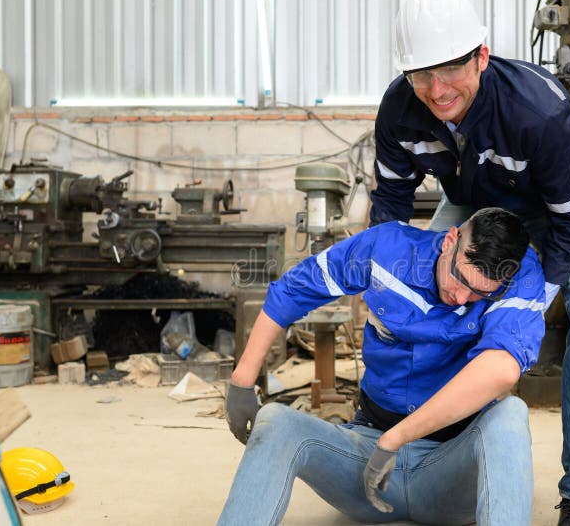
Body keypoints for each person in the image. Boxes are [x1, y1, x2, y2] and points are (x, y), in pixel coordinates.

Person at [369, 0, 570, 525]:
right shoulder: (399, 110)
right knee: (419, 290)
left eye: (451, 69)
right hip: (472, 204)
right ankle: (409, 431)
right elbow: (391, 207)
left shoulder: (541, 114)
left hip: (555, 213)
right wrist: (383, 281)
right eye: (420, 74)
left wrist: (533, 297)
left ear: (481, 56)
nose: (437, 91)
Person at [220, 207, 545, 525]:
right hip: (367, 455)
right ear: (450, 240)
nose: (461, 298)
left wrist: (396, 439)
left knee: (510, 415)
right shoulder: (386, 249)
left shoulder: (517, 273)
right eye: (459, 278)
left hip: (449, 469)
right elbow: (295, 288)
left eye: (478, 294)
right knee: (276, 420)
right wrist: (242, 379)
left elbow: (502, 369)